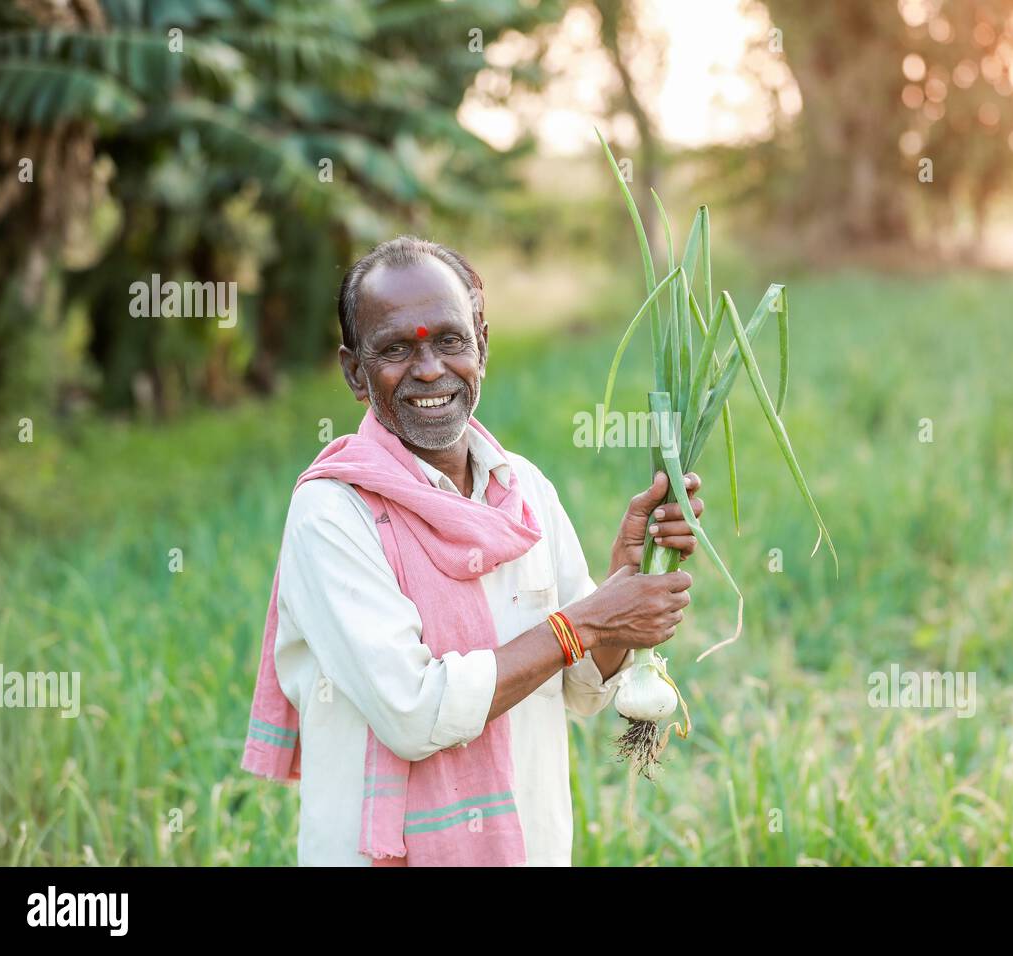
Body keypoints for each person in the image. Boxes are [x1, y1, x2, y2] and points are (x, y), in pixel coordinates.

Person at [242, 235, 704, 866]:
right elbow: (413, 712)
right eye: (397, 349)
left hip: (530, 847)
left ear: (482, 346)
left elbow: (582, 687)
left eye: (450, 341)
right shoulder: (332, 513)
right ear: (355, 371)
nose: (429, 369)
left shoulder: (522, 489)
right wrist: (591, 619)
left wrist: (625, 578)